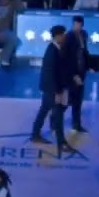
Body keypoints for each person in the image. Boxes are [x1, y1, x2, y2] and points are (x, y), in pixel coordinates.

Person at [30, 25, 71, 154]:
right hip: (52, 90)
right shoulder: (52, 51)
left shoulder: (57, 48)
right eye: (63, 35)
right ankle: (62, 143)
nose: (64, 37)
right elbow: (51, 74)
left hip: (51, 89)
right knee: (58, 115)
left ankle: (35, 134)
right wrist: (57, 92)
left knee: (44, 110)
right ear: (57, 36)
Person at [61, 15, 90, 133]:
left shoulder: (84, 35)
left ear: (82, 25)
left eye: (79, 25)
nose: (77, 27)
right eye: (75, 25)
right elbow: (66, 58)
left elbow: (85, 52)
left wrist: (90, 65)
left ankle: (76, 124)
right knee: (68, 100)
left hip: (81, 72)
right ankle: (54, 121)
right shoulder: (68, 37)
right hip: (71, 74)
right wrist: (73, 75)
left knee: (78, 100)